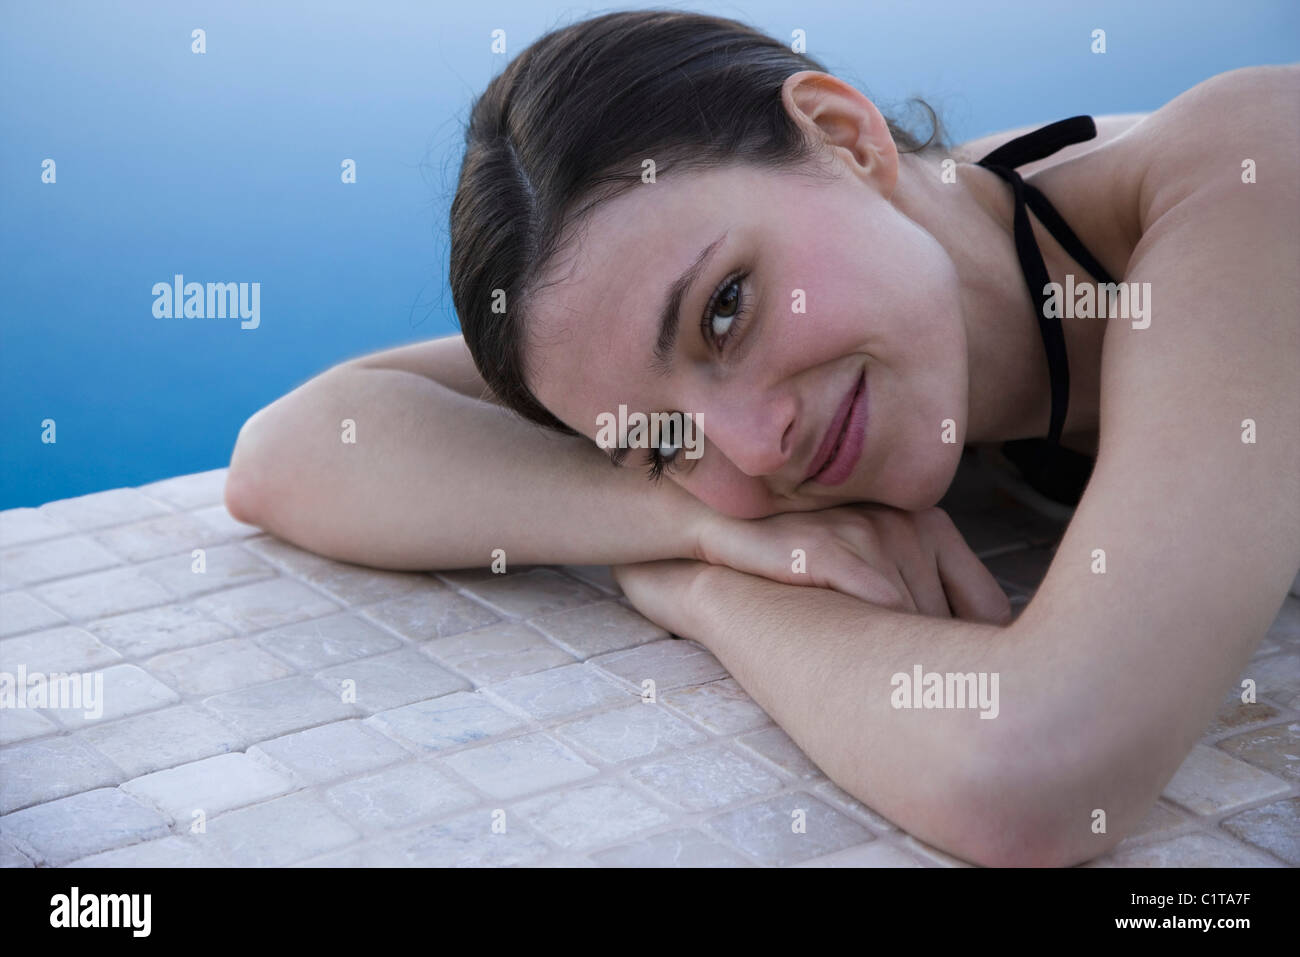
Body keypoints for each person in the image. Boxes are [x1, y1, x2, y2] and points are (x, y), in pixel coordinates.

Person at [224, 11, 1299, 866]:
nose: (749, 448)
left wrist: (698, 593)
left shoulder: (1250, 168)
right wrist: (668, 519)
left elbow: (1036, 774)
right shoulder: (871, 291)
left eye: (726, 309)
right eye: (658, 439)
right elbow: (291, 447)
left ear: (844, 137)